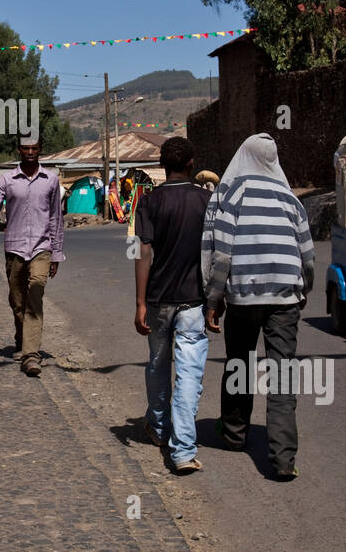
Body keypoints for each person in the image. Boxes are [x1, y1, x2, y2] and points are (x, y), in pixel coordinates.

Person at [202, 133, 314, 481]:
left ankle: (235, 434)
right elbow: (307, 255)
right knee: (282, 374)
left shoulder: (230, 192)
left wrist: (213, 297)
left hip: (244, 296)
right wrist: (302, 289)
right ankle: (283, 459)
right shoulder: (291, 199)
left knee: (240, 362)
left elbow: (219, 251)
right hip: (284, 296)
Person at [133, 137, 212, 474]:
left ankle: (159, 426)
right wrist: (216, 301)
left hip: (158, 300)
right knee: (189, 374)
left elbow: (143, 253)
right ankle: (182, 451)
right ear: (192, 163)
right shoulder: (207, 201)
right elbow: (215, 254)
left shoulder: (148, 203)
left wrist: (139, 302)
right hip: (194, 301)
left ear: (163, 165)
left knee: (157, 363)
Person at [0, 138, 64, 376]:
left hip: (41, 247)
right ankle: (22, 336)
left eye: (35, 148)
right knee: (18, 300)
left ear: (40, 149)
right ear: (19, 150)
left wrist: (56, 253)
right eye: (26, 148)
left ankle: (31, 356)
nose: (31, 152)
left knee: (35, 292)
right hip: (14, 248)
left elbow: (55, 219)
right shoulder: (6, 180)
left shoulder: (51, 180)